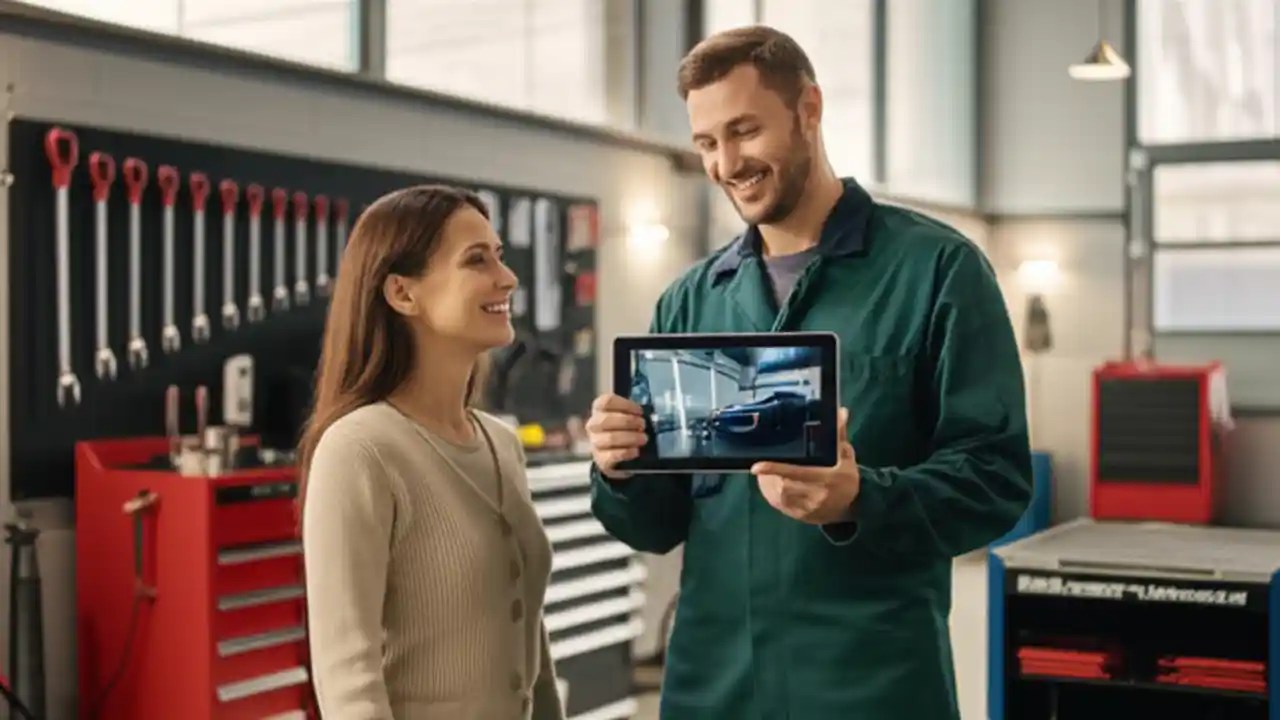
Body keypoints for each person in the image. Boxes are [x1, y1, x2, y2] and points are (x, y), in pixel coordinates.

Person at [586, 25, 1033, 719]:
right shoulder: (690, 301)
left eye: (745, 131)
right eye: (706, 142)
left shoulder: (938, 271)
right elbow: (656, 525)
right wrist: (620, 469)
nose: (726, 163)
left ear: (809, 110)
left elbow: (995, 480)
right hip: (714, 689)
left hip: (871, 689)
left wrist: (862, 498)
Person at [296, 185, 565, 720]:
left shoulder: (502, 444)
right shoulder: (359, 450)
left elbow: (530, 650)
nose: (508, 278)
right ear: (402, 293)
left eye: (499, 256)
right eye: (476, 260)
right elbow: (349, 683)